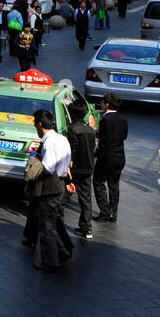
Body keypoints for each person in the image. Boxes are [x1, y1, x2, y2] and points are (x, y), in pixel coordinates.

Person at [27, 109, 74, 272]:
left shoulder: (48, 142)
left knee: (47, 225)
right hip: (60, 183)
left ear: (40, 124)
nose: (36, 129)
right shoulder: (62, 139)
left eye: (35, 126)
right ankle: (61, 250)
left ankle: (50, 261)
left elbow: (47, 167)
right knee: (51, 220)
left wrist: (33, 162)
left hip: (49, 186)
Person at [92, 92, 128, 222]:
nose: (101, 105)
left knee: (98, 181)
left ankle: (105, 211)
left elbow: (104, 142)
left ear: (107, 105)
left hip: (107, 157)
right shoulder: (123, 120)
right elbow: (124, 136)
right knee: (114, 185)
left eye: (102, 103)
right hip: (119, 157)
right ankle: (113, 213)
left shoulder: (105, 120)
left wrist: (98, 158)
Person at [65, 99, 97, 238]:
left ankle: (54, 220)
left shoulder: (73, 129)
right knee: (86, 199)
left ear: (72, 114)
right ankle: (86, 228)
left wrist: (67, 167)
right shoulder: (90, 130)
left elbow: (73, 150)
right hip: (88, 167)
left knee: (64, 196)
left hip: (75, 168)